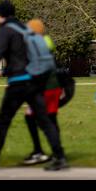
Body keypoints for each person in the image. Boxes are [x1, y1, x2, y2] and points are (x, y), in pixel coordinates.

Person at [0, 1, 68, 171]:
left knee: (3, 120)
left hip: (17, 83)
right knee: (44, 120)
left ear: (0, 15)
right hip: (34, 81)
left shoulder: (5, 31)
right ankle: (60, 156)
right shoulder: (25, 29)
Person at [22, 19, 64, 166]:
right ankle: (55, 153)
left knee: (32, 117)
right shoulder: (46, 42)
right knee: (50, 119)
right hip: (54, 86)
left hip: (45, 88)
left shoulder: (34, 44)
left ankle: (47, 152)